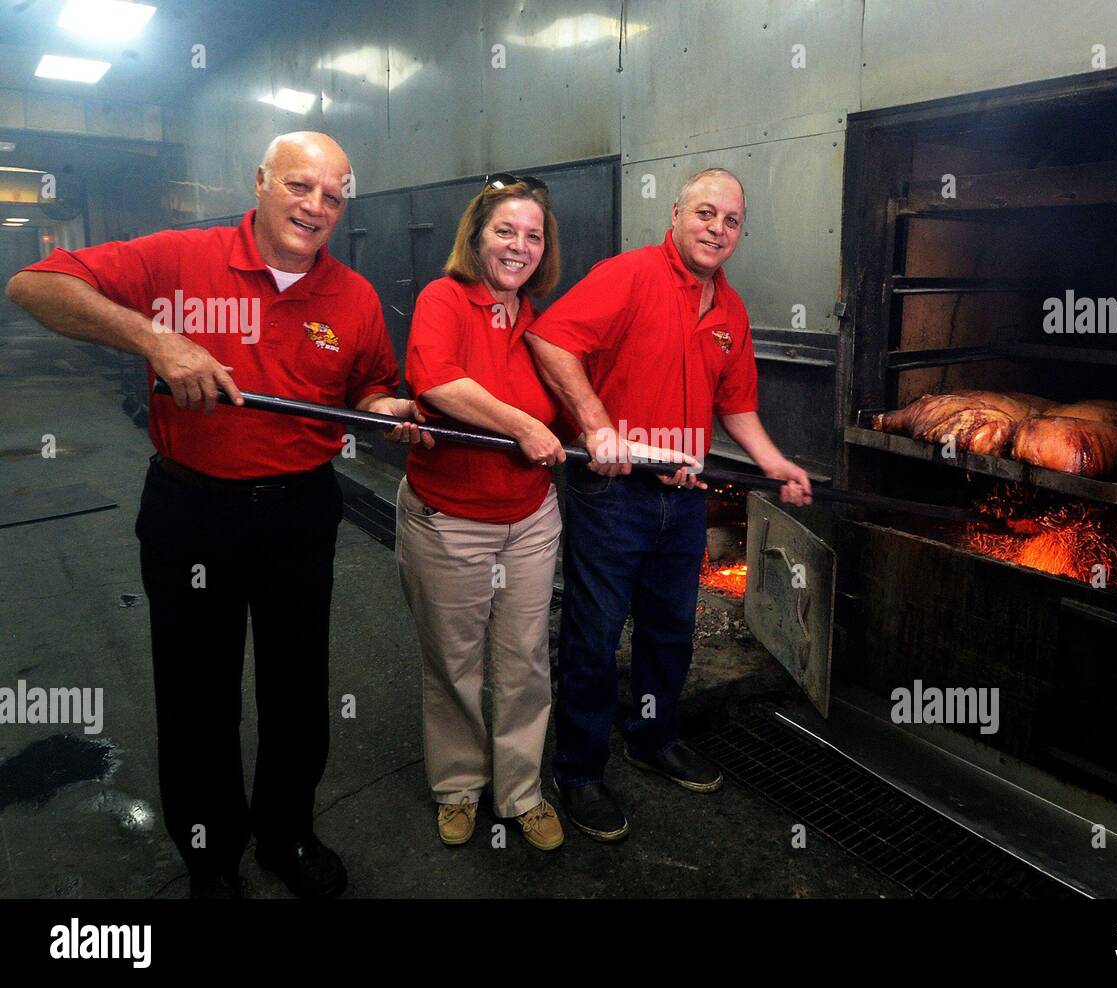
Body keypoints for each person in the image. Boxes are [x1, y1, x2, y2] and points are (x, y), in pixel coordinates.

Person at [5, 132, 430, 898]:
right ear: (261, 181)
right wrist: (157, 338)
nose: (316, 207)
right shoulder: (178, 258)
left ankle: (287, 834)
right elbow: (33, 286)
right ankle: (211, 858)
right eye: (301, 186)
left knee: (298, 690)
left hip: (301, 512)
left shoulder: (353, 297)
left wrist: (385, 407)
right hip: (193, 512)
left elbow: (368, 388)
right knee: (196, 695)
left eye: (334, 196)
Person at [526, 167, 814, 842]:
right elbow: (549, 338)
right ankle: (579, 770)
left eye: (731, 221)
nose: (717, 229)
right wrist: (597, 424)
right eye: (706, 213)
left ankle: (652, 736)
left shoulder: (729, 311)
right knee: (594, 637)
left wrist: (774, 465)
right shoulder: (628, 275)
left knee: (669, 631)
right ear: (677, 213)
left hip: (684, 497)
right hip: (613, 493)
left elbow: (736, 405)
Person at [395, 174, 568, 851]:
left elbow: (575, 396)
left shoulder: (539, 317)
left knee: (526, 658)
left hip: (529, 517)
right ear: (477, 237)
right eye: (506, 231)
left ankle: (521, 790)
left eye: (533, 235)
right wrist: (523, 426)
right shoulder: (446, 298)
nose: (520, 246)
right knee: (455, 660)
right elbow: (434, 378)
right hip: (451, 517)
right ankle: (459, 784)